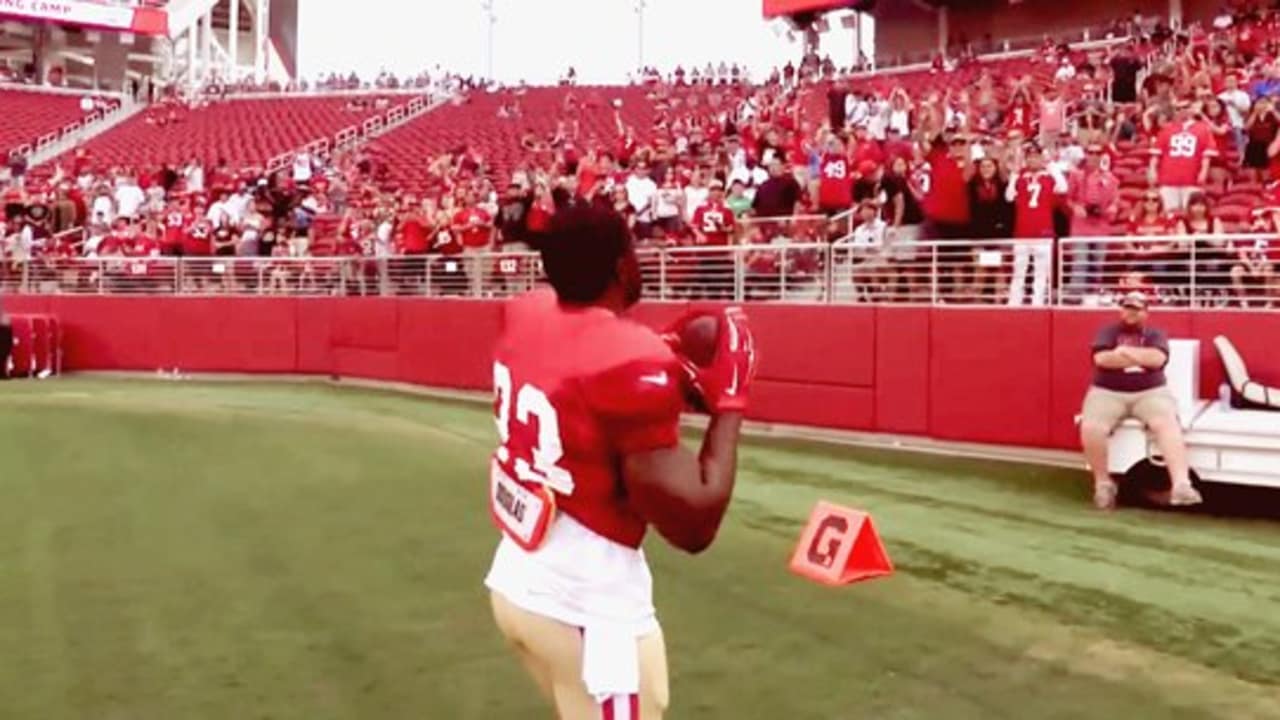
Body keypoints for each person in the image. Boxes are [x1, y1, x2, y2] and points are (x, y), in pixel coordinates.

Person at [484, 203, 758, 720]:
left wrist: (663, 355)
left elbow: (577, 375)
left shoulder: (527, 311)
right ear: (621, 266)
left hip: (518, 581)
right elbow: (695, 521)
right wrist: (732, 401)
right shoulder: (624, 358)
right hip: (587, 608)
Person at [1078, 292, 1203, 511]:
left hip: (1150, 392)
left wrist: (1124, 352)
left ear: (1145, 312)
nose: (1130, 313)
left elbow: (1158, 359)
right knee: (1091, 427)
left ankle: (1181, 485)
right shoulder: (1108, 332)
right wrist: (1141, 357)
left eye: (1136, 309)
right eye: (1127, 308)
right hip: (1107, 392)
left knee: (1167, 423)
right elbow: (1102, 359)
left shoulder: (1155, 333)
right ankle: (1103, 484)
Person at [0, 307, 11, 380]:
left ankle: (3, 372)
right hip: (4, 329)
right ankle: (3, 372)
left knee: (4, 354)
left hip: (4, 330)